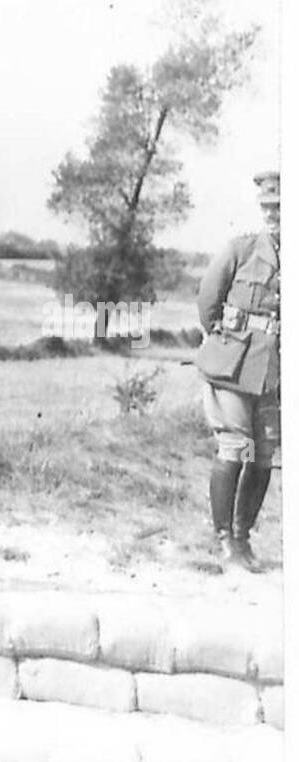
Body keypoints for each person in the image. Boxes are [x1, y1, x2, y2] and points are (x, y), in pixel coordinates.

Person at [194, 169, 281, 572]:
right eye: (268, 208)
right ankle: (224, 539)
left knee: (263, 456)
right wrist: (224, 338)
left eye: (281, 207)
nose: (274, 215)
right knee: (235, 447)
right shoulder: (241, 250)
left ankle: (244, 540)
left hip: (274, 373)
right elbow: (208, 301)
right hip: (231, 366)